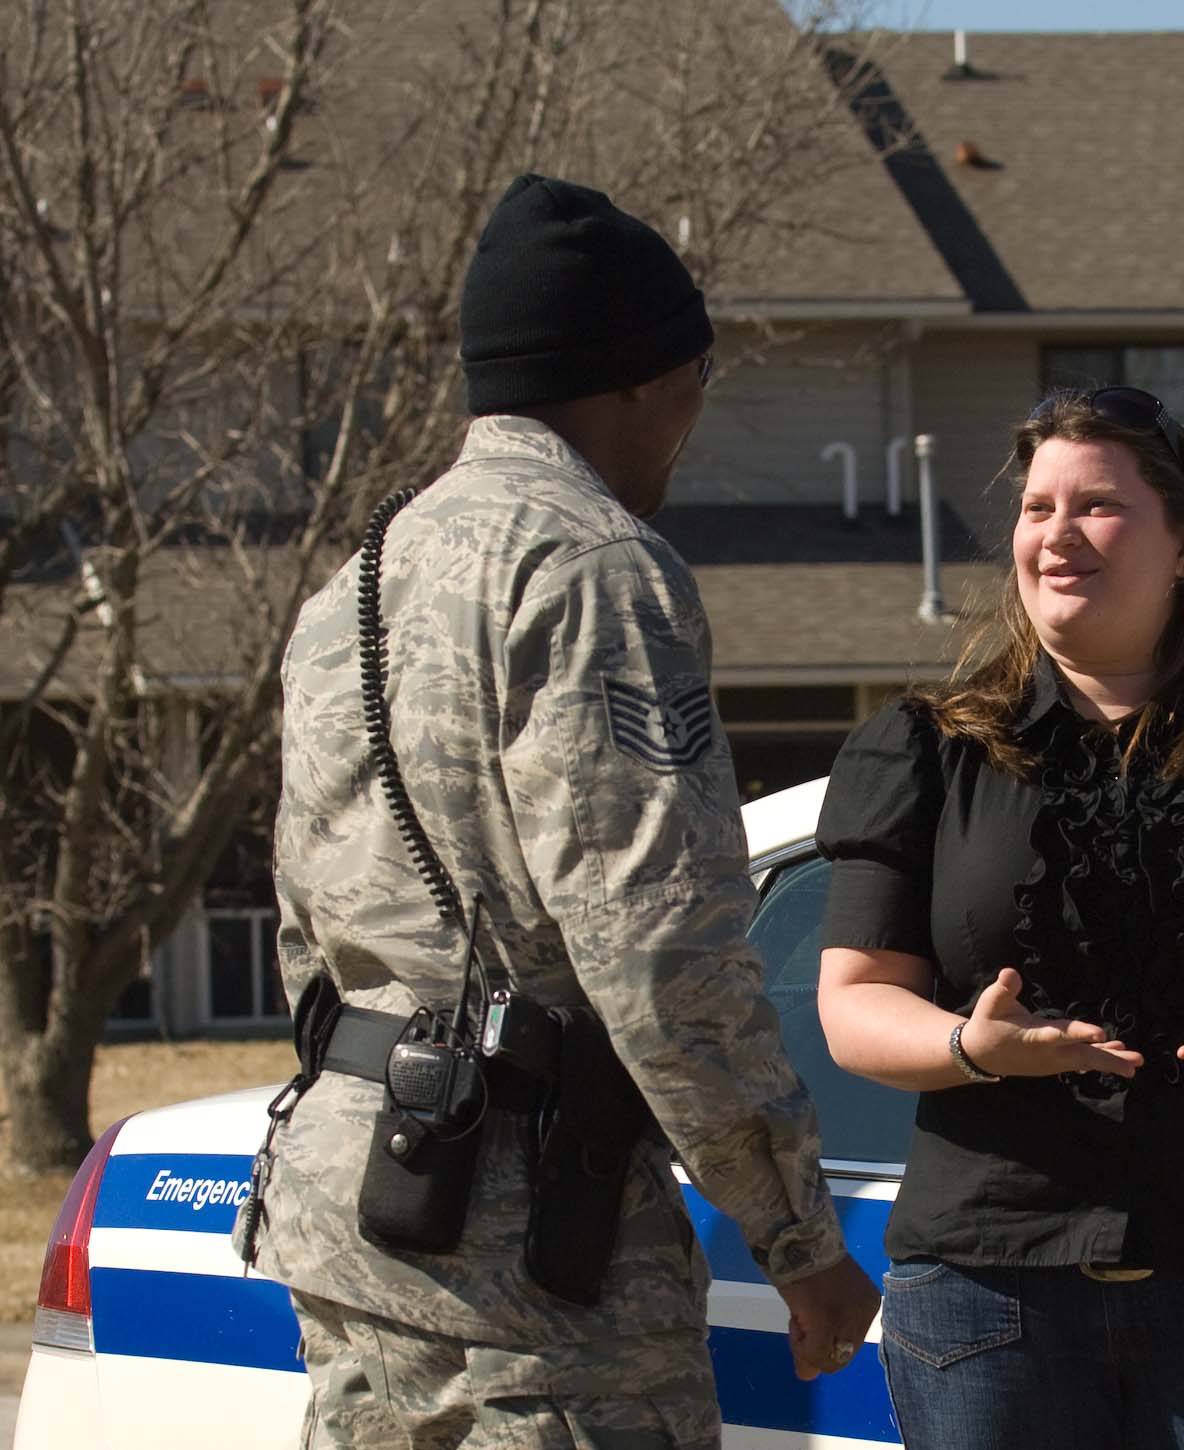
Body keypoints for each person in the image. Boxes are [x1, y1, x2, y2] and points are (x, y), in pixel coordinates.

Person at [248, 174, 878, 1449]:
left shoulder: (356, 582)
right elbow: (661, 948)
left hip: (349, 1200)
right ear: (637, 376)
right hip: (529, 1254)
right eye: (698, 370)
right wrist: (798, 1236)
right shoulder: (594, 567)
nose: (697, 413)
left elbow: (307, 926)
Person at [813, 386, 1184, 1450]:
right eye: (1037, 506)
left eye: (1097, 505)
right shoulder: (922, 747)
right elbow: (854, 1002)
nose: (1056, 533)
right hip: (988, 1306)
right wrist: (972, 1047)